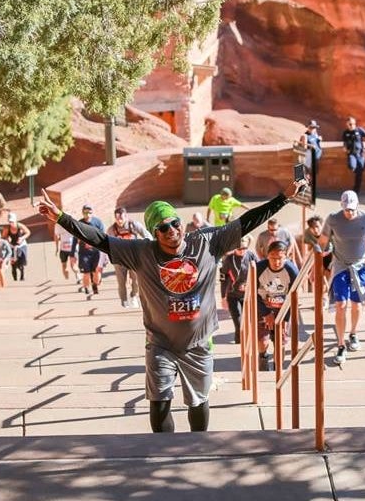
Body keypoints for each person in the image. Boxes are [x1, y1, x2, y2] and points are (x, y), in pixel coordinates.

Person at [37, 181, 304, 433]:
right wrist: (61, 217)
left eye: (175, 223)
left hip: (198, 343)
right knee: (159, 399)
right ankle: (162, 451)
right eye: (163, 228)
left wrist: (284, 197)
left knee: (198, 401)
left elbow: (246, 222)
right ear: (154, 233)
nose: (172, 231)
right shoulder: (141, 252)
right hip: (161, 343)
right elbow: (100, 240)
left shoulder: (207, 242)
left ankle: (196, 450)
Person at [319, 190, 365, 364]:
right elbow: (323, 240)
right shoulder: (333, 219)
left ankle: (353, 333)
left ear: (357, 206)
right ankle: (340, 344)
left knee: (356, 304)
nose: (349, 212)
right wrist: (317, 256)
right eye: (346, 209)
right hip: (340, 266)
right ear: (341, 206)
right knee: (340, 305)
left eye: (352, 209)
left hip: (360, 266)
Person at [255, 240, 299, 371]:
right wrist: (266, 313)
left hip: (283, 308)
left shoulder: (291, 271)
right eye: (273, 258)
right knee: (263, 341)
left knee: (281, 341)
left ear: (286, 256)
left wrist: (286, 319)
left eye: (280, 258)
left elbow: (294, 297)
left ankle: (277, 367)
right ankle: (263, 356)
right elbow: (252, 293)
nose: (276, 262)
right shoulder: (259, 268)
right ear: (267, 256)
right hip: (263, 306)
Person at [107, 207, 152, 308]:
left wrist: (150, 246)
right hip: (119, 260)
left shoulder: (133, 225)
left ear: (126, 216)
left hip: (133, 258)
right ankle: (124, 300)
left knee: (136, 280)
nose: (119, 221)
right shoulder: (112, 229)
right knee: (121, 282)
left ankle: (134, 296)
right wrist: (107, 257)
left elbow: (146, 234)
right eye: (117, 218)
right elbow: (106, 244)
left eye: (121, 218)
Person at [220, 235, 258, 344]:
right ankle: (239, 342)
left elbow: (259, 271)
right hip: (233, 295)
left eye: (244, 248)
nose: (242, 251)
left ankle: (249, 341)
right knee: (238, 321)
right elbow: (223, 279)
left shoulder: (251, 255)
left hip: (249, 294)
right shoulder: (228, 259)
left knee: (251, 320)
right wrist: (223, 297)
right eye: (239, 249)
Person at [341, 116, 365, 194]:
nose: (352, 125)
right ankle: (355, 169)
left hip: (360, 154)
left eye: (353, 124)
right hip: (351, 154)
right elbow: (345, 143)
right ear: (347, 124)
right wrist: (344, 148)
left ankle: (356, 190)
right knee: (352, 166)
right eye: (350, 124)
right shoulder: (345, 133)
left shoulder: (359, 130)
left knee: (360, 172)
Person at [2, 212, 31, 281]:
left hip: (21, 246)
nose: (11, 223)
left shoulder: (20, 226)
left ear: (15, 220)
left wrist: (22, 238)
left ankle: (22, 276)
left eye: (12, 221)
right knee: (13, 264)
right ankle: (15, 279)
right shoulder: (7, 228)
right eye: (10, 221)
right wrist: (7, 239)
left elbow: (28, 232)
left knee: (20, 262)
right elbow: (3, 236)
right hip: (12, 245)